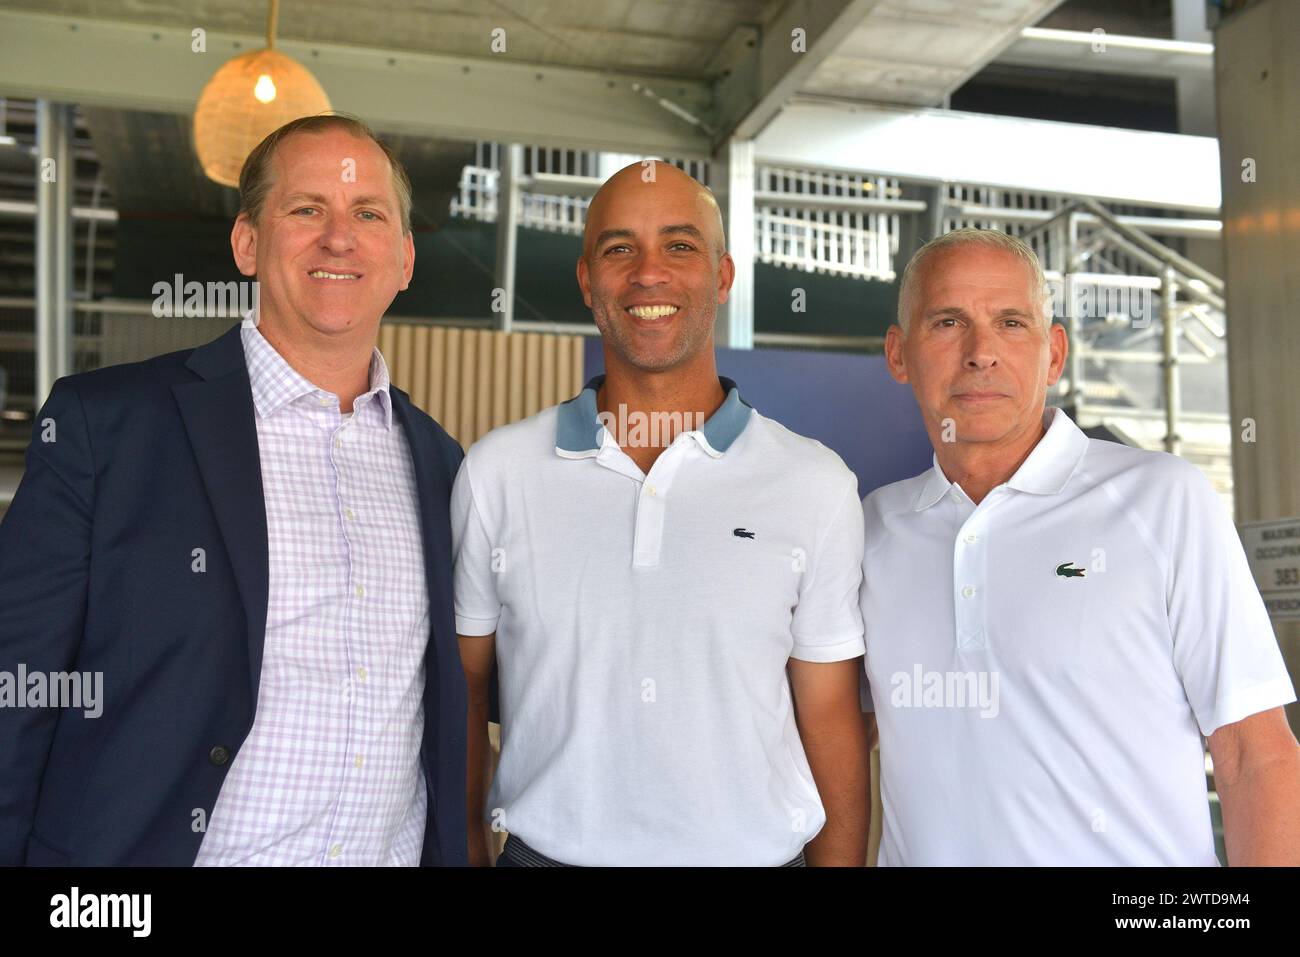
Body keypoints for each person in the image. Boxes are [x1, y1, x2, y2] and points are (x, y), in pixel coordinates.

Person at [0, 114, 467, 866]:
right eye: (307, 208)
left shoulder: (444, 466)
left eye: (368, 214)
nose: (339, 238)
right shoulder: (107, 427)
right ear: (248, 243)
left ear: (405, 258)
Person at [452, 160, 870, 866]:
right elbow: (464, 691)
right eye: (620, 249)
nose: (649, 274)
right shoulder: (497, 472)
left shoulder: (814, 483)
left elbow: (829, 719)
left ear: (723, 275)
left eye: (680, 246)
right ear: (587, 281)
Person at [861, 227, 1300, 865]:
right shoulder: (872, 530)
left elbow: (1252, 754)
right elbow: (836, 737)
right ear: (899, 354)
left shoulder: (1163, 501)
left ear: (1055, 353)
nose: (982, 352)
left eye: (1012, 322)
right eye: (948, 322)